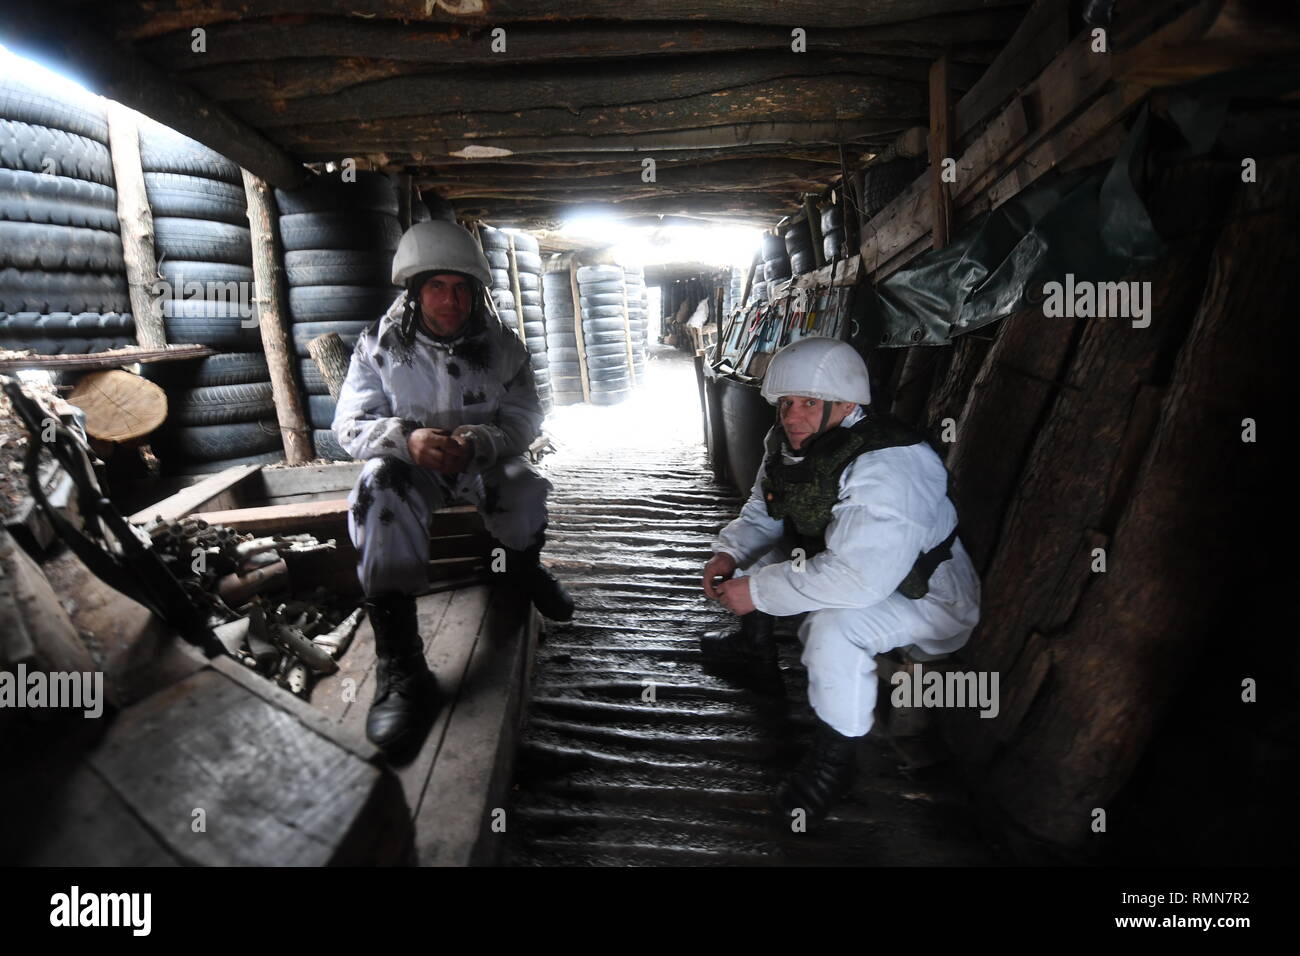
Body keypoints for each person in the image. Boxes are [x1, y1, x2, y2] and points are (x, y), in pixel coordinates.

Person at [700, 336, 980, 822]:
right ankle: (756, 656)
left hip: (926, 594)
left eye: (809, 402)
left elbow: (858, 579)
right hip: (853, 563)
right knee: (760, 561)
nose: (792, 415)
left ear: (846, 403)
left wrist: (758, 591)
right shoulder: (789, 442)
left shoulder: (889, 463)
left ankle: (835, 764)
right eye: (787, 402)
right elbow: (764, 514)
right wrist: (729, 551)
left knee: (831, 629)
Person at [333, 220, 574, 755]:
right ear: (416, 292)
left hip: (477, 462)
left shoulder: (503, 347)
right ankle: (401, 668)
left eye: (462, 287)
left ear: (477, 292)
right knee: (377, 494)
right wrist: (405, 438)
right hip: (410, 465)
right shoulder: (378, 346)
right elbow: (348, 425)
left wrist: (481, 441)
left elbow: (526, 417)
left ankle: (522, 571)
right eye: (438, 287)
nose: (451, 299)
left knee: (527, 488)